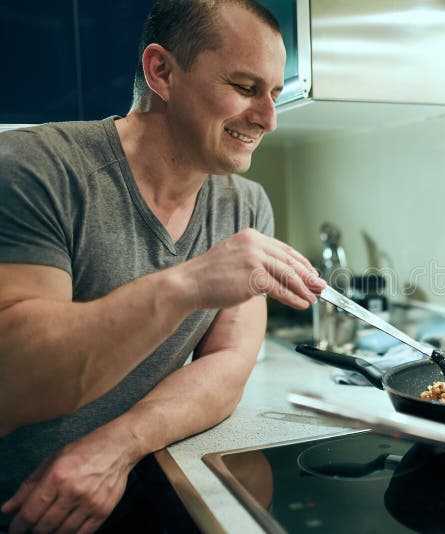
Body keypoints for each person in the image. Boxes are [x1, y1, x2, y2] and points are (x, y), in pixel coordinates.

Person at [0, 0, 325, 532]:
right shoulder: (36, 169)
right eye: (245, 87)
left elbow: (229, 362)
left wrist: (115, 447)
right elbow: (13, 379)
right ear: (162, 72)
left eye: (272, 93)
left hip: (135, 490)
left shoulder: (244, 206)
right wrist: (191, 282)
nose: (268, 119)